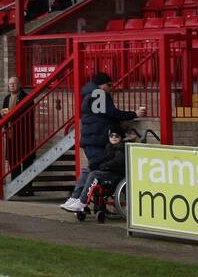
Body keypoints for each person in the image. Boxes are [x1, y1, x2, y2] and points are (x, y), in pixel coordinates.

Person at [62, 72, 145, 212]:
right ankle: (80, 201)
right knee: (96, 170)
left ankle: (77, 199)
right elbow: (112, 113)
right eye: (109, 85)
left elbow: (103, 115)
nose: (111, 88)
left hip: (91, 139)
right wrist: (134, 114)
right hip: (97, 141)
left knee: (90, 169)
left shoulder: (89, 94)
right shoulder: (99, 94)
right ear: (101, 85)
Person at [1, 75, 33, 191]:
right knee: (13, 161)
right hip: (11, 134)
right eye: (10, 84)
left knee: (26, 161)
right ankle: (16, 187)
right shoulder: (6, 99)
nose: (12, 86)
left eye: (14, 83)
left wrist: (12, 115)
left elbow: (28, 114)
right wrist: (3, 115)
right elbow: (1, 115)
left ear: (19, 85)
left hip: (23, 135)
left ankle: (27, 188)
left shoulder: (26, 97)